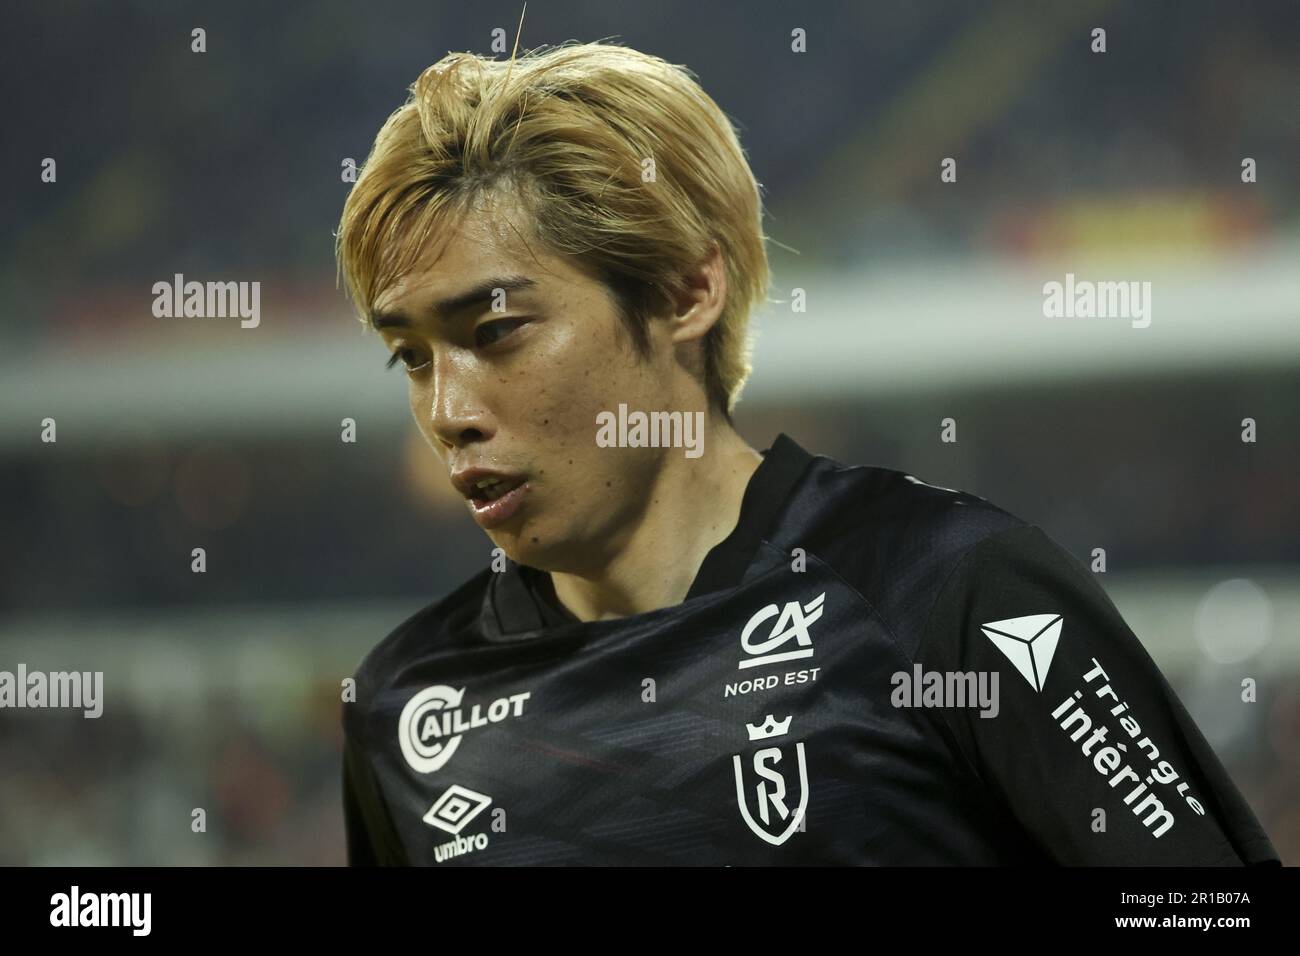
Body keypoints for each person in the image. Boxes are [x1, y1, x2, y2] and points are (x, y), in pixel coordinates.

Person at [333, 40, 1279, 866]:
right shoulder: (408, 708)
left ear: (681, 293)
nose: (447, 409)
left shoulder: (946, 593)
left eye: (494, 331)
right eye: (411, 357)